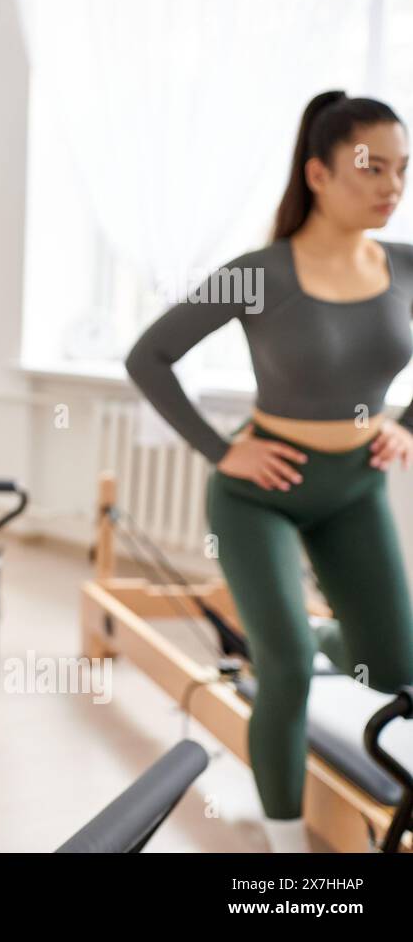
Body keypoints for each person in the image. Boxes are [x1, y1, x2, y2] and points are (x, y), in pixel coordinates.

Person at [124, 91, 413, 853]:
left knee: (394, 666)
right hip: (260, 496)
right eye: (371, 167)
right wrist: (223, 450)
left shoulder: (407, 264)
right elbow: (147, 357)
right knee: (280, 666)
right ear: (318, 174)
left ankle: (321, 636)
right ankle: (286, 848)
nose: (392, 185)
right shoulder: (260, 274)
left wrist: (403, 425)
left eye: (403, 169)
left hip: (354, 490)